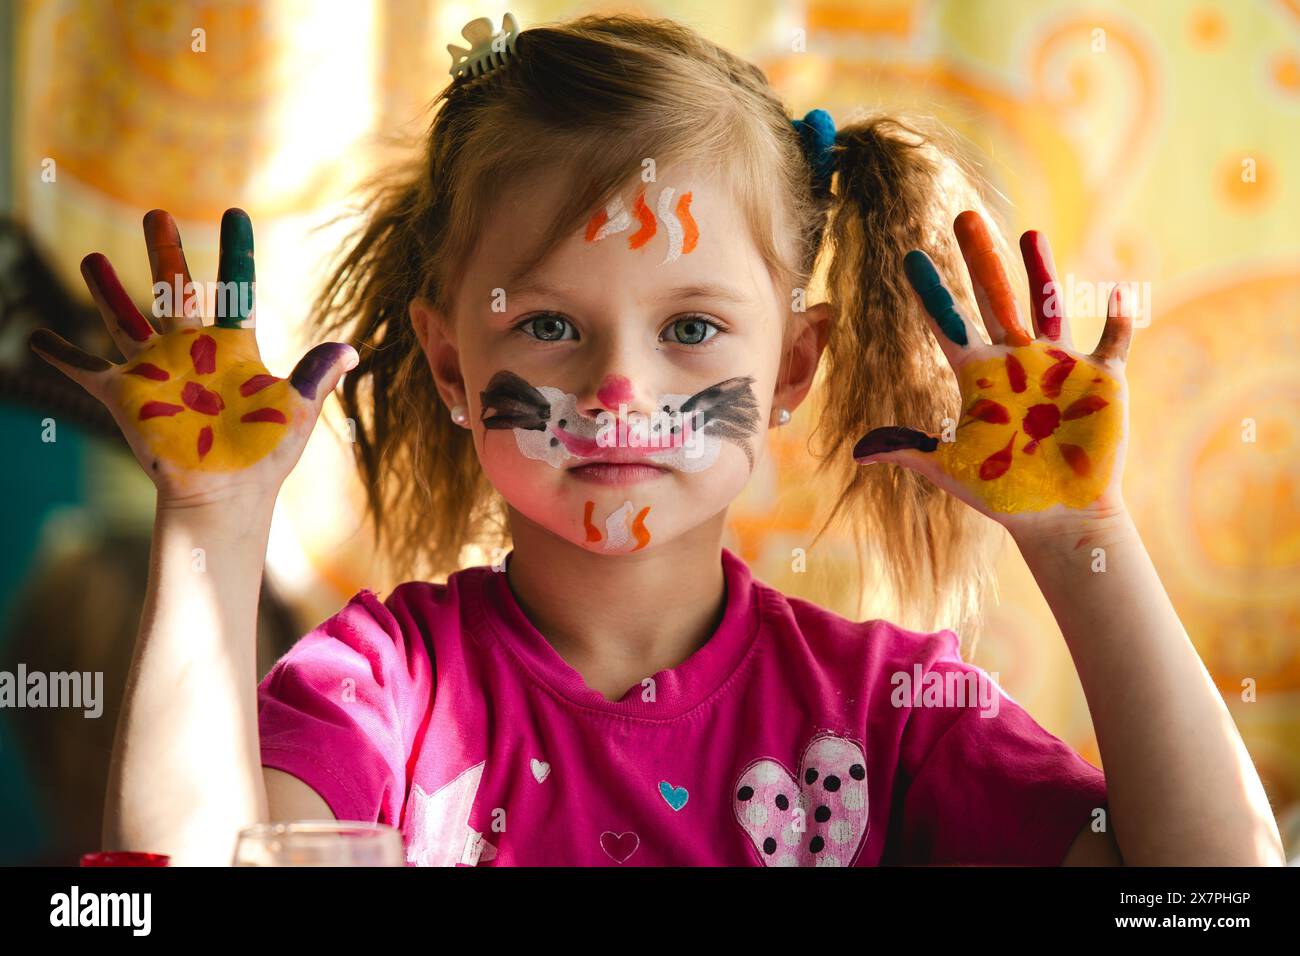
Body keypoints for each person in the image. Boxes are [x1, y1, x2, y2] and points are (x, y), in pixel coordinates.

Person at [29, 12, 1283, 866]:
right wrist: (209, 526)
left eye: (691, 324)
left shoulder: (893, 709)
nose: (623, 386)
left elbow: (1210, 888)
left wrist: (1082, 540)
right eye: (554, 327)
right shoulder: (381, 693)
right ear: (456, 361)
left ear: (791, 364)